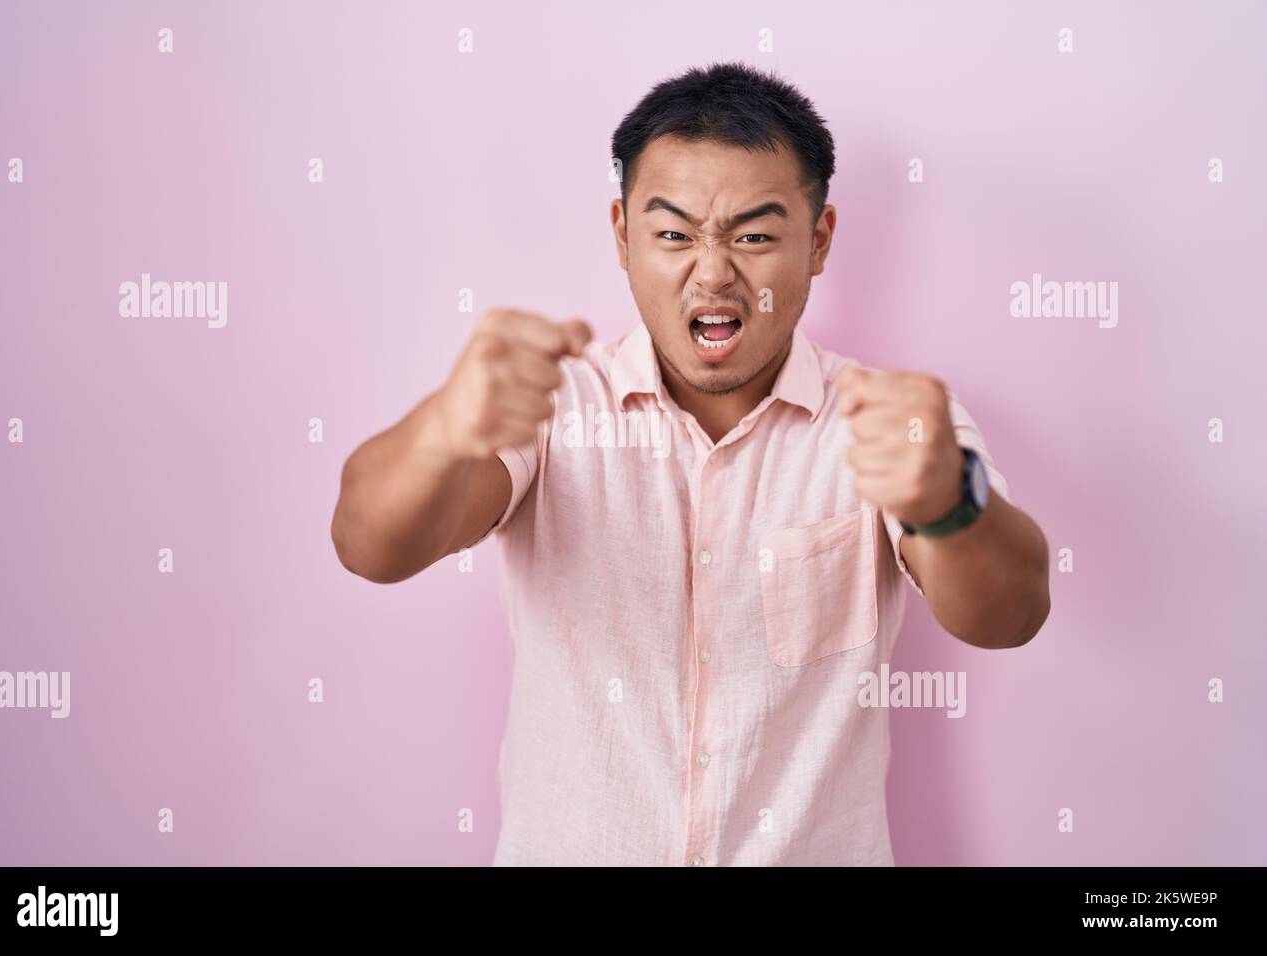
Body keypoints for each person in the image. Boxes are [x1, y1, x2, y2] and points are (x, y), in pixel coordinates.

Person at [331, 62, 1051, 866]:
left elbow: (1011, 614)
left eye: (753, 235)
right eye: (674, 234)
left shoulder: (894, 423)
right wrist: (441, 433)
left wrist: (947, 503)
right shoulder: (548, 405)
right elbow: (369, 547)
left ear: (817, 242)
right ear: (621, 234)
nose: (713, 272)